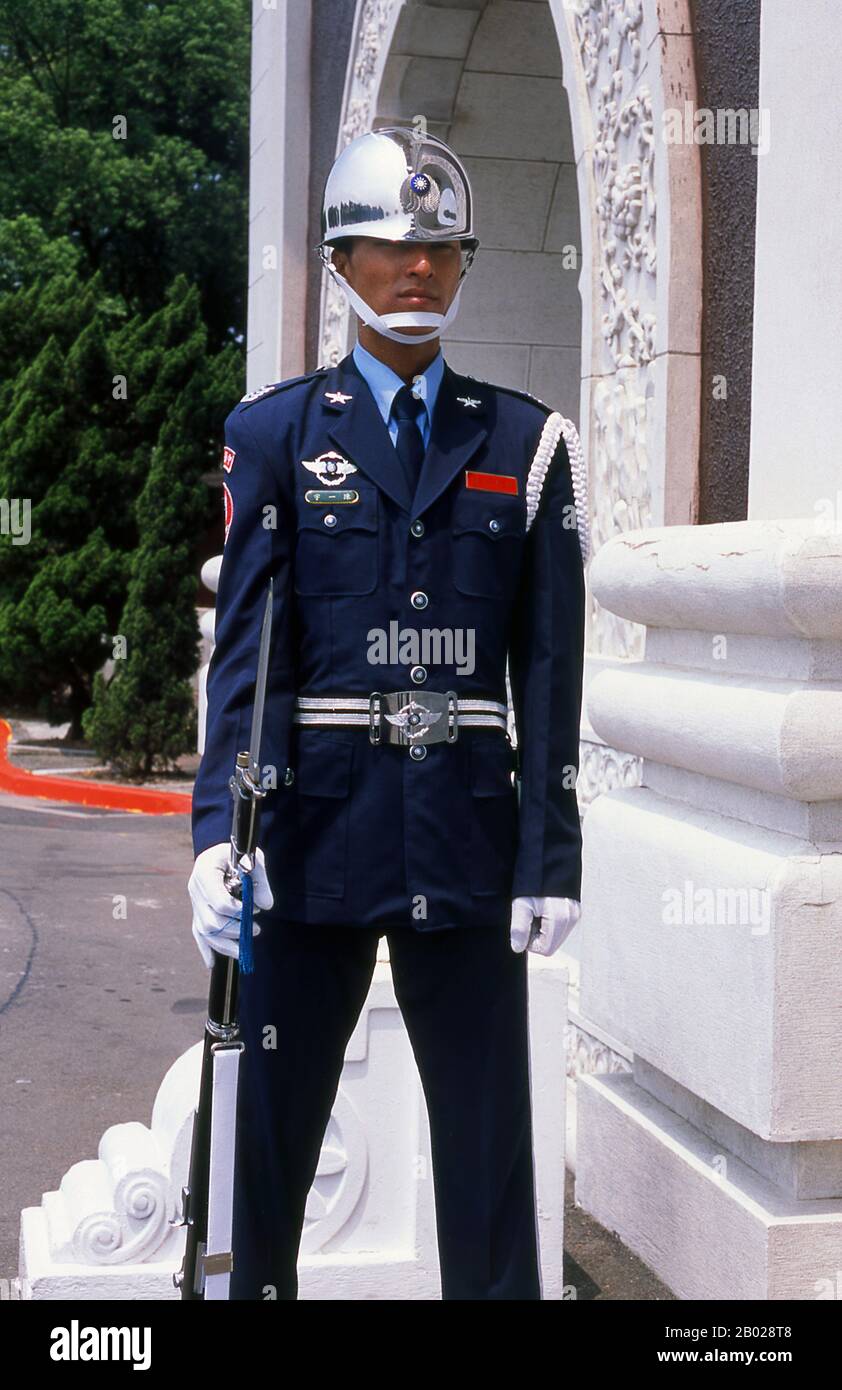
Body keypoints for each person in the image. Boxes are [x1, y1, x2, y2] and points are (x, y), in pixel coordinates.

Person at [188, 125, 588, 1300]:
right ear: (339, 261)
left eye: (438, 250)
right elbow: (244, 656)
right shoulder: (272, 436)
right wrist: (217, 829)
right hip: (304, 840)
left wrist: (548, 855)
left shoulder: (523, 444)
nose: (415, 269)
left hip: (465, 840)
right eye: (383, 247)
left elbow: (550, 668)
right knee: (266, 1147)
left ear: (465, 265)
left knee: (485, 1151)